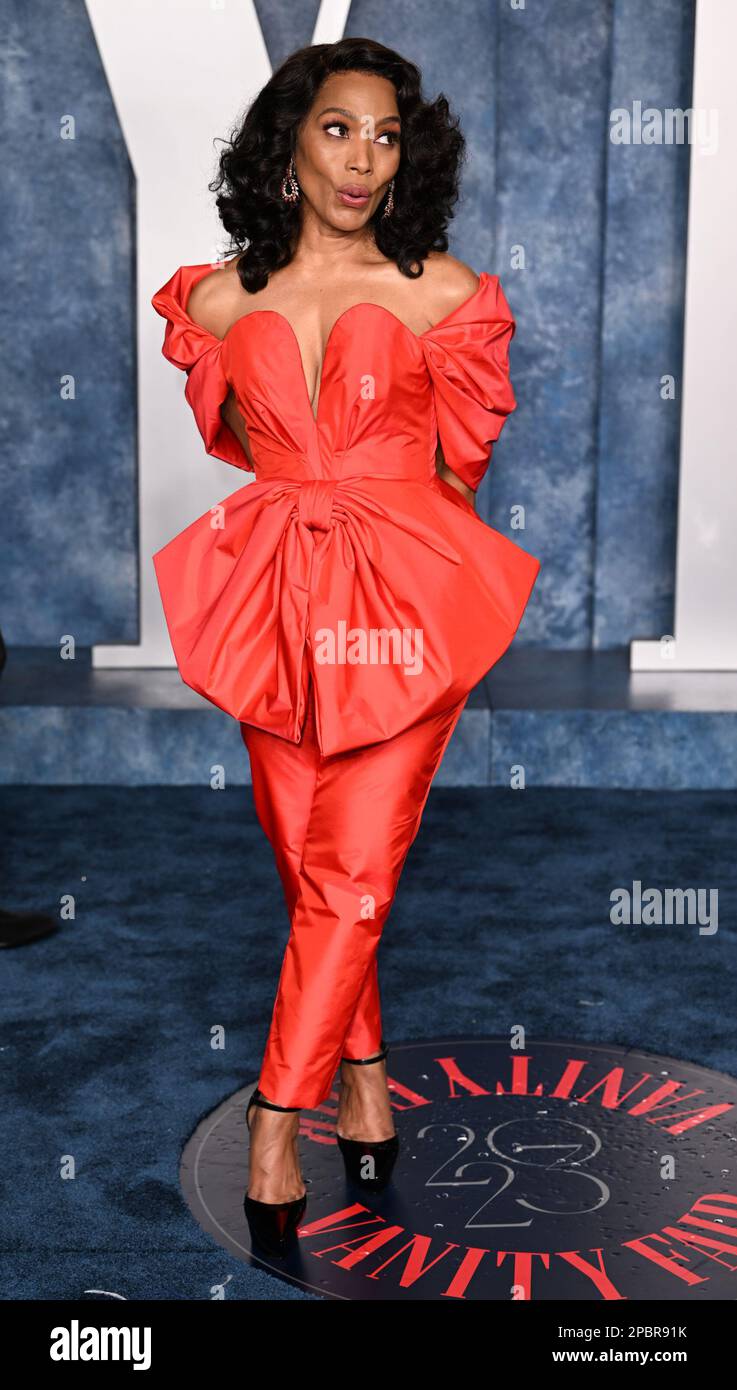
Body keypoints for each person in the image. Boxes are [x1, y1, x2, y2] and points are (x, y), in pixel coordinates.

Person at [151, 36, 540, 1257]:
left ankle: (281, 1122)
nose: (362, 158)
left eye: (384, 134)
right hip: (273, 602)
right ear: (288, 141)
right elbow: (235, 441)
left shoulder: (446, 297)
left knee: (350, 870)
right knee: (305, 859)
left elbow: (456, 467)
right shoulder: (217, 301)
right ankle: (362, 1077)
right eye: (336, 128)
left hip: (403, 612)